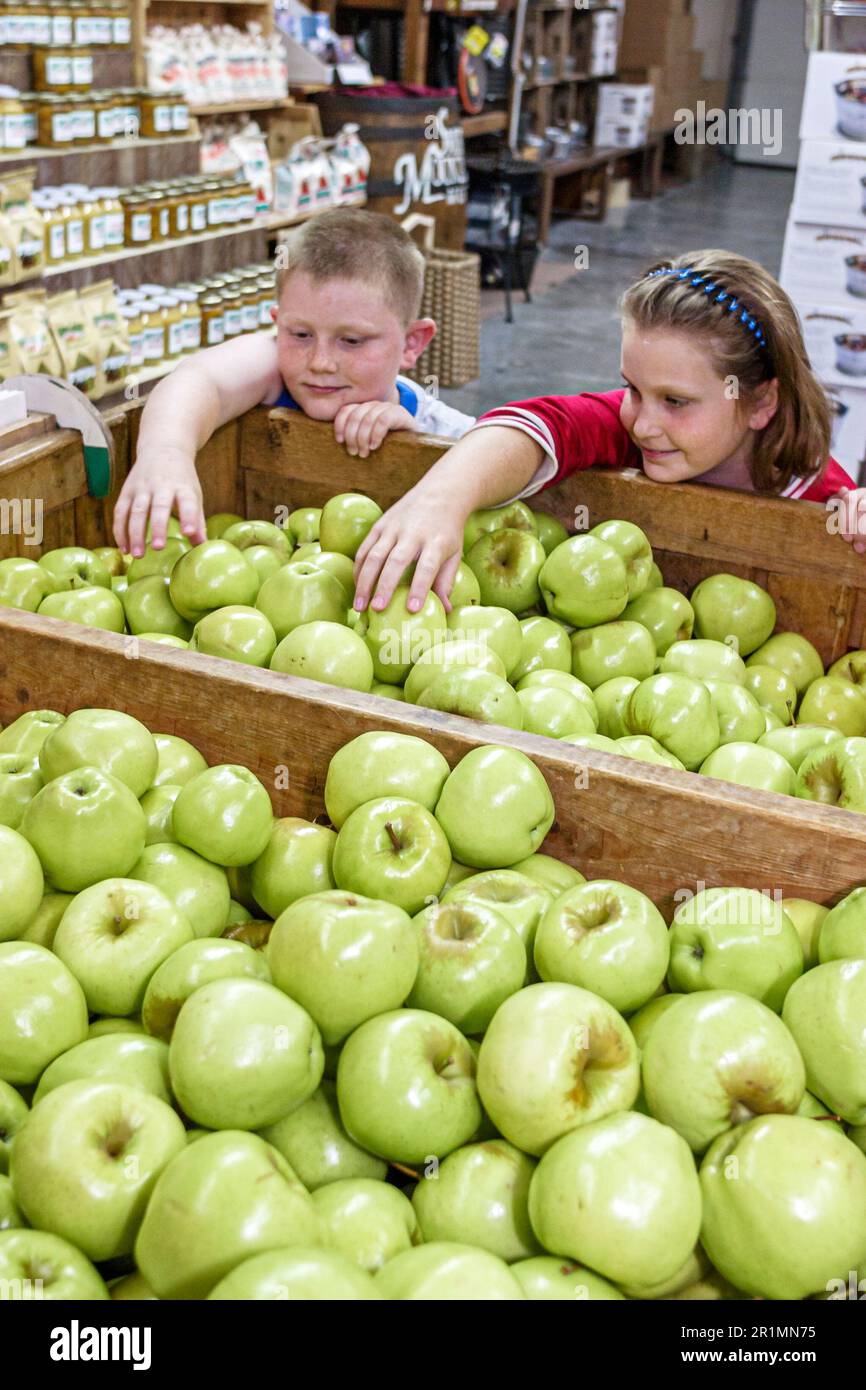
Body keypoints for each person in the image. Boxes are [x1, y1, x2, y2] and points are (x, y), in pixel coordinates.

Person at [352, 249, 866, 617]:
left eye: (676, 402)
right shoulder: (626, 430)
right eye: (633, 389)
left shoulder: (820, 495)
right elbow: (534, 424)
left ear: (761, 402)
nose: (643, 423)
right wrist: (443, 499)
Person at [113, 208, 476, 558]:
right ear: (278, 323)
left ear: (412, 343)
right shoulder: (274, 371)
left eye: (351, 341)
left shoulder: (446, 429)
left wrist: (415, 448)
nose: (319, 363)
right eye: (301, 334)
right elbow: (199, 379)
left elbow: (505, 455)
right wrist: (166, 453)